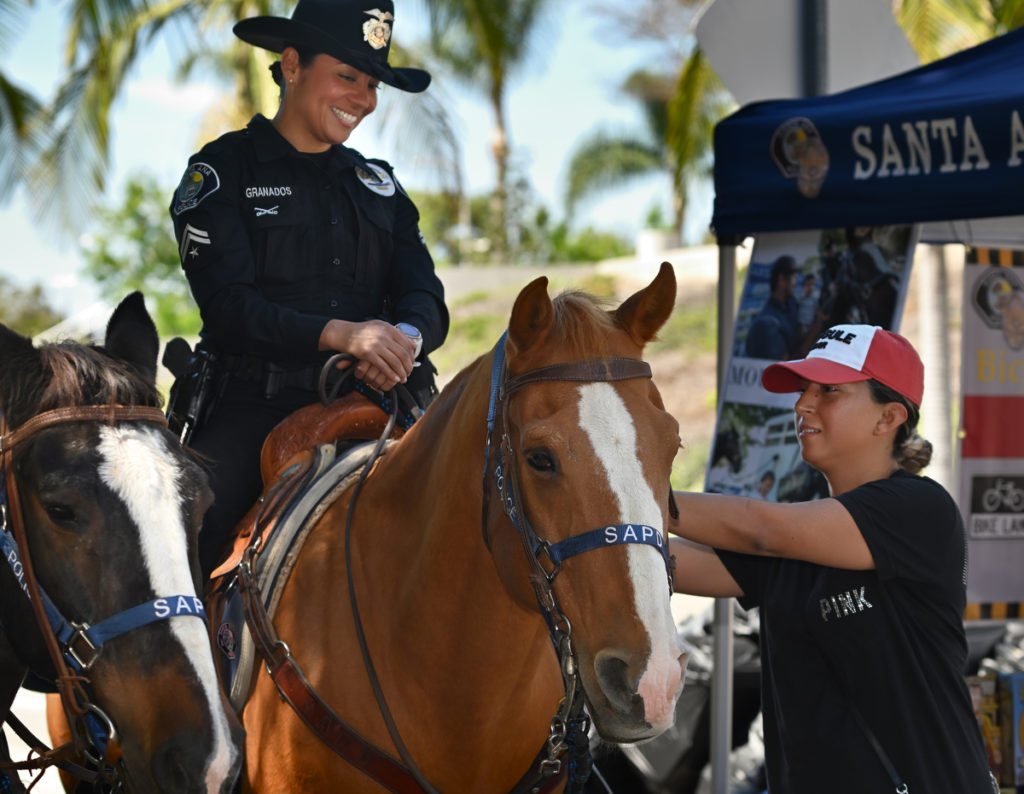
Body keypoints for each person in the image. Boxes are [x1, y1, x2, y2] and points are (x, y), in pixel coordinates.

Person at [169, 0, 449, 578]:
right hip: (256, 408)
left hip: (382, 401)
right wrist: (343, 335)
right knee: (179, 536)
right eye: (347, 76)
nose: (364, 99)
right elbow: (228, 310)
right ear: (291, 65)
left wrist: (402, 340)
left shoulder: (381, 187)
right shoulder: (222, 172)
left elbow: (427, 298)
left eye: (371, 84)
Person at [669, 324, 996, 793]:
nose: (803, 404)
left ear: (889, 417)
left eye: (829, 391)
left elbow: (761, 530)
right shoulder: (801, 537)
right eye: (804, 389)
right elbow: (661, 564)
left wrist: (629, 495)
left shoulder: (918, 510)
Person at [744, 255, 799, 360]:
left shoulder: (792, 305)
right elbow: (781, 369)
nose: (795, 283)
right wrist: (817, 327)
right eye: (793, 277)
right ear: (781, 279)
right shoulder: (767, 324)